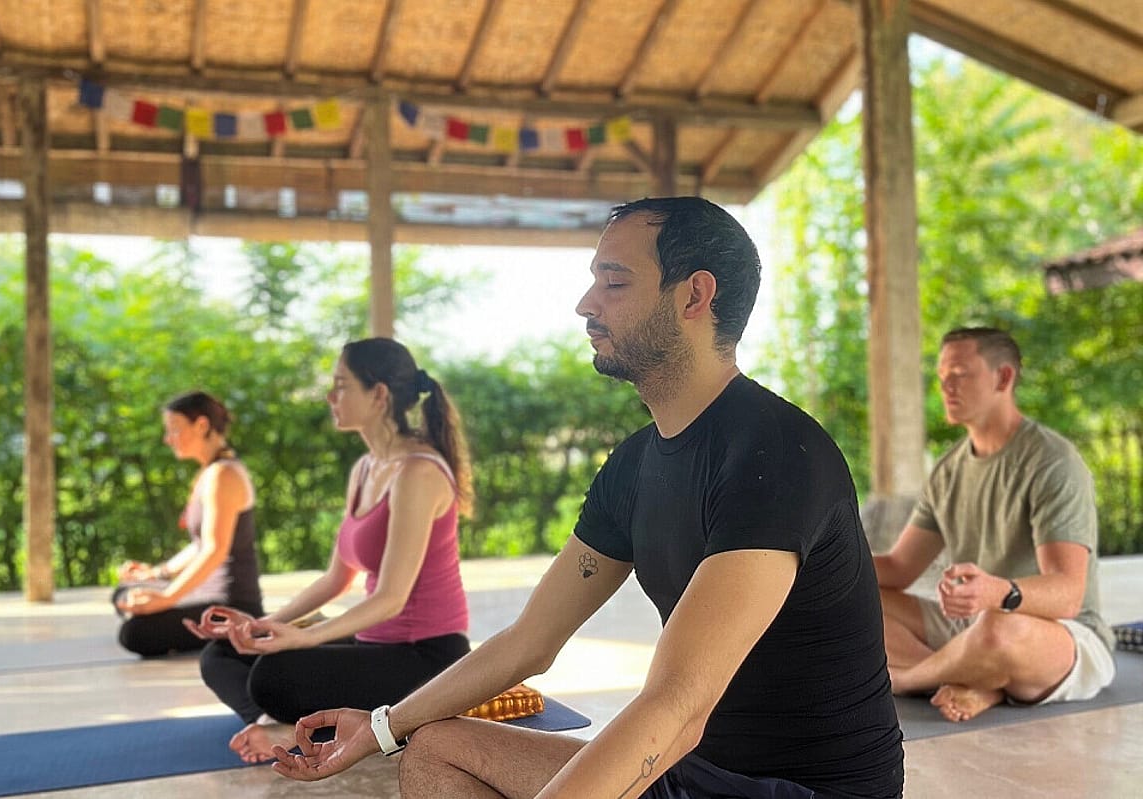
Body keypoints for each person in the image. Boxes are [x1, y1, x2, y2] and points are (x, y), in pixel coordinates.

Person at [270, 197, 904, 798]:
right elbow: (530, 641)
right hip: (693, 774)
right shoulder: (634, 464)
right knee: (435, 748)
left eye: (614, 282)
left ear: (694, 295)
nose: (585, 304)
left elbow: (678, 708)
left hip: (805, 789)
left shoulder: (775, 452)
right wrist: (381, 727)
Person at [185, 337, 473, 764]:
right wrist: (264, 626)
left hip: (427, 659)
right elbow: (337, 578)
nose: (330, 396)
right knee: (224, 654)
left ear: (378, 395)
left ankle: (297, 725)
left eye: (341, 385)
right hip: (374, 645)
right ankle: (278, 724)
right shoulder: (365, 469)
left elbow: (391, 599)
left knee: (274, 675)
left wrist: (305, 637)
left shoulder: (418, 473)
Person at [873, 327, 1115, 722]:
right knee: (857, 599)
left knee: (998, 630)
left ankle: (908, 680)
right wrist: (822, 563)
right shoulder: (948, 470)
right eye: (942, 377)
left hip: (1057, 633)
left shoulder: (1053, 461)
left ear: (1003, 378)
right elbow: (899, 568)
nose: (946, 387)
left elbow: (1069, 594)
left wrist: (997, 592)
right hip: (971, 627)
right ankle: (973, 680)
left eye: (959, 374)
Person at [114, 391, 264, 657]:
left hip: (231, 604)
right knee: (126, 593)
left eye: (174, 429)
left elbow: (214, 550)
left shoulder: (224, 475)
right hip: (204, 593)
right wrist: (157, 574)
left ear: (202, 425)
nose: (167, 438)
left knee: (134, 633)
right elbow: (200, 544)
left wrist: (167, 598)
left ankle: (229, 630)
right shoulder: (210, 473)